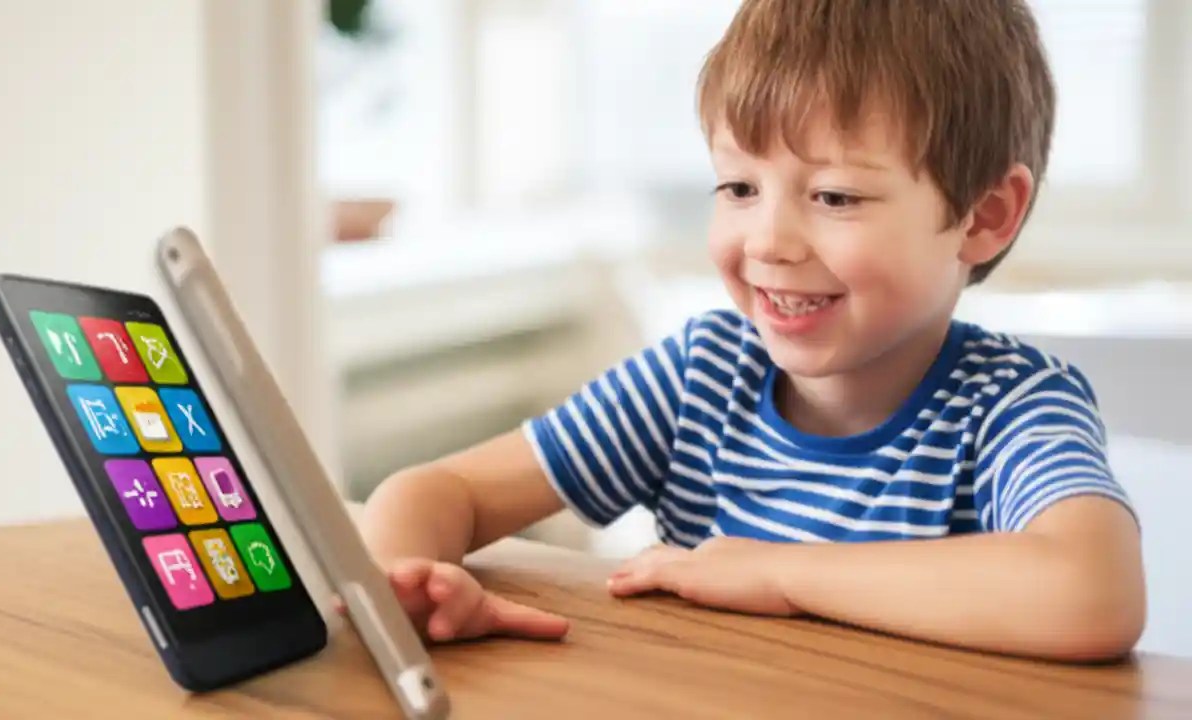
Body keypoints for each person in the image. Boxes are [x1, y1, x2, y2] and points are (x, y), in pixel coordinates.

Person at [353, 0, 1146, 661]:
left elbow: (1092, 594)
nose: (768, 241)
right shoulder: (701, 376)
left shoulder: (1010, 406)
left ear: (984, 216)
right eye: (738, 185)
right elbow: (436, 490)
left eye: (835, 197)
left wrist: (780, 573)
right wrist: (410, 582)